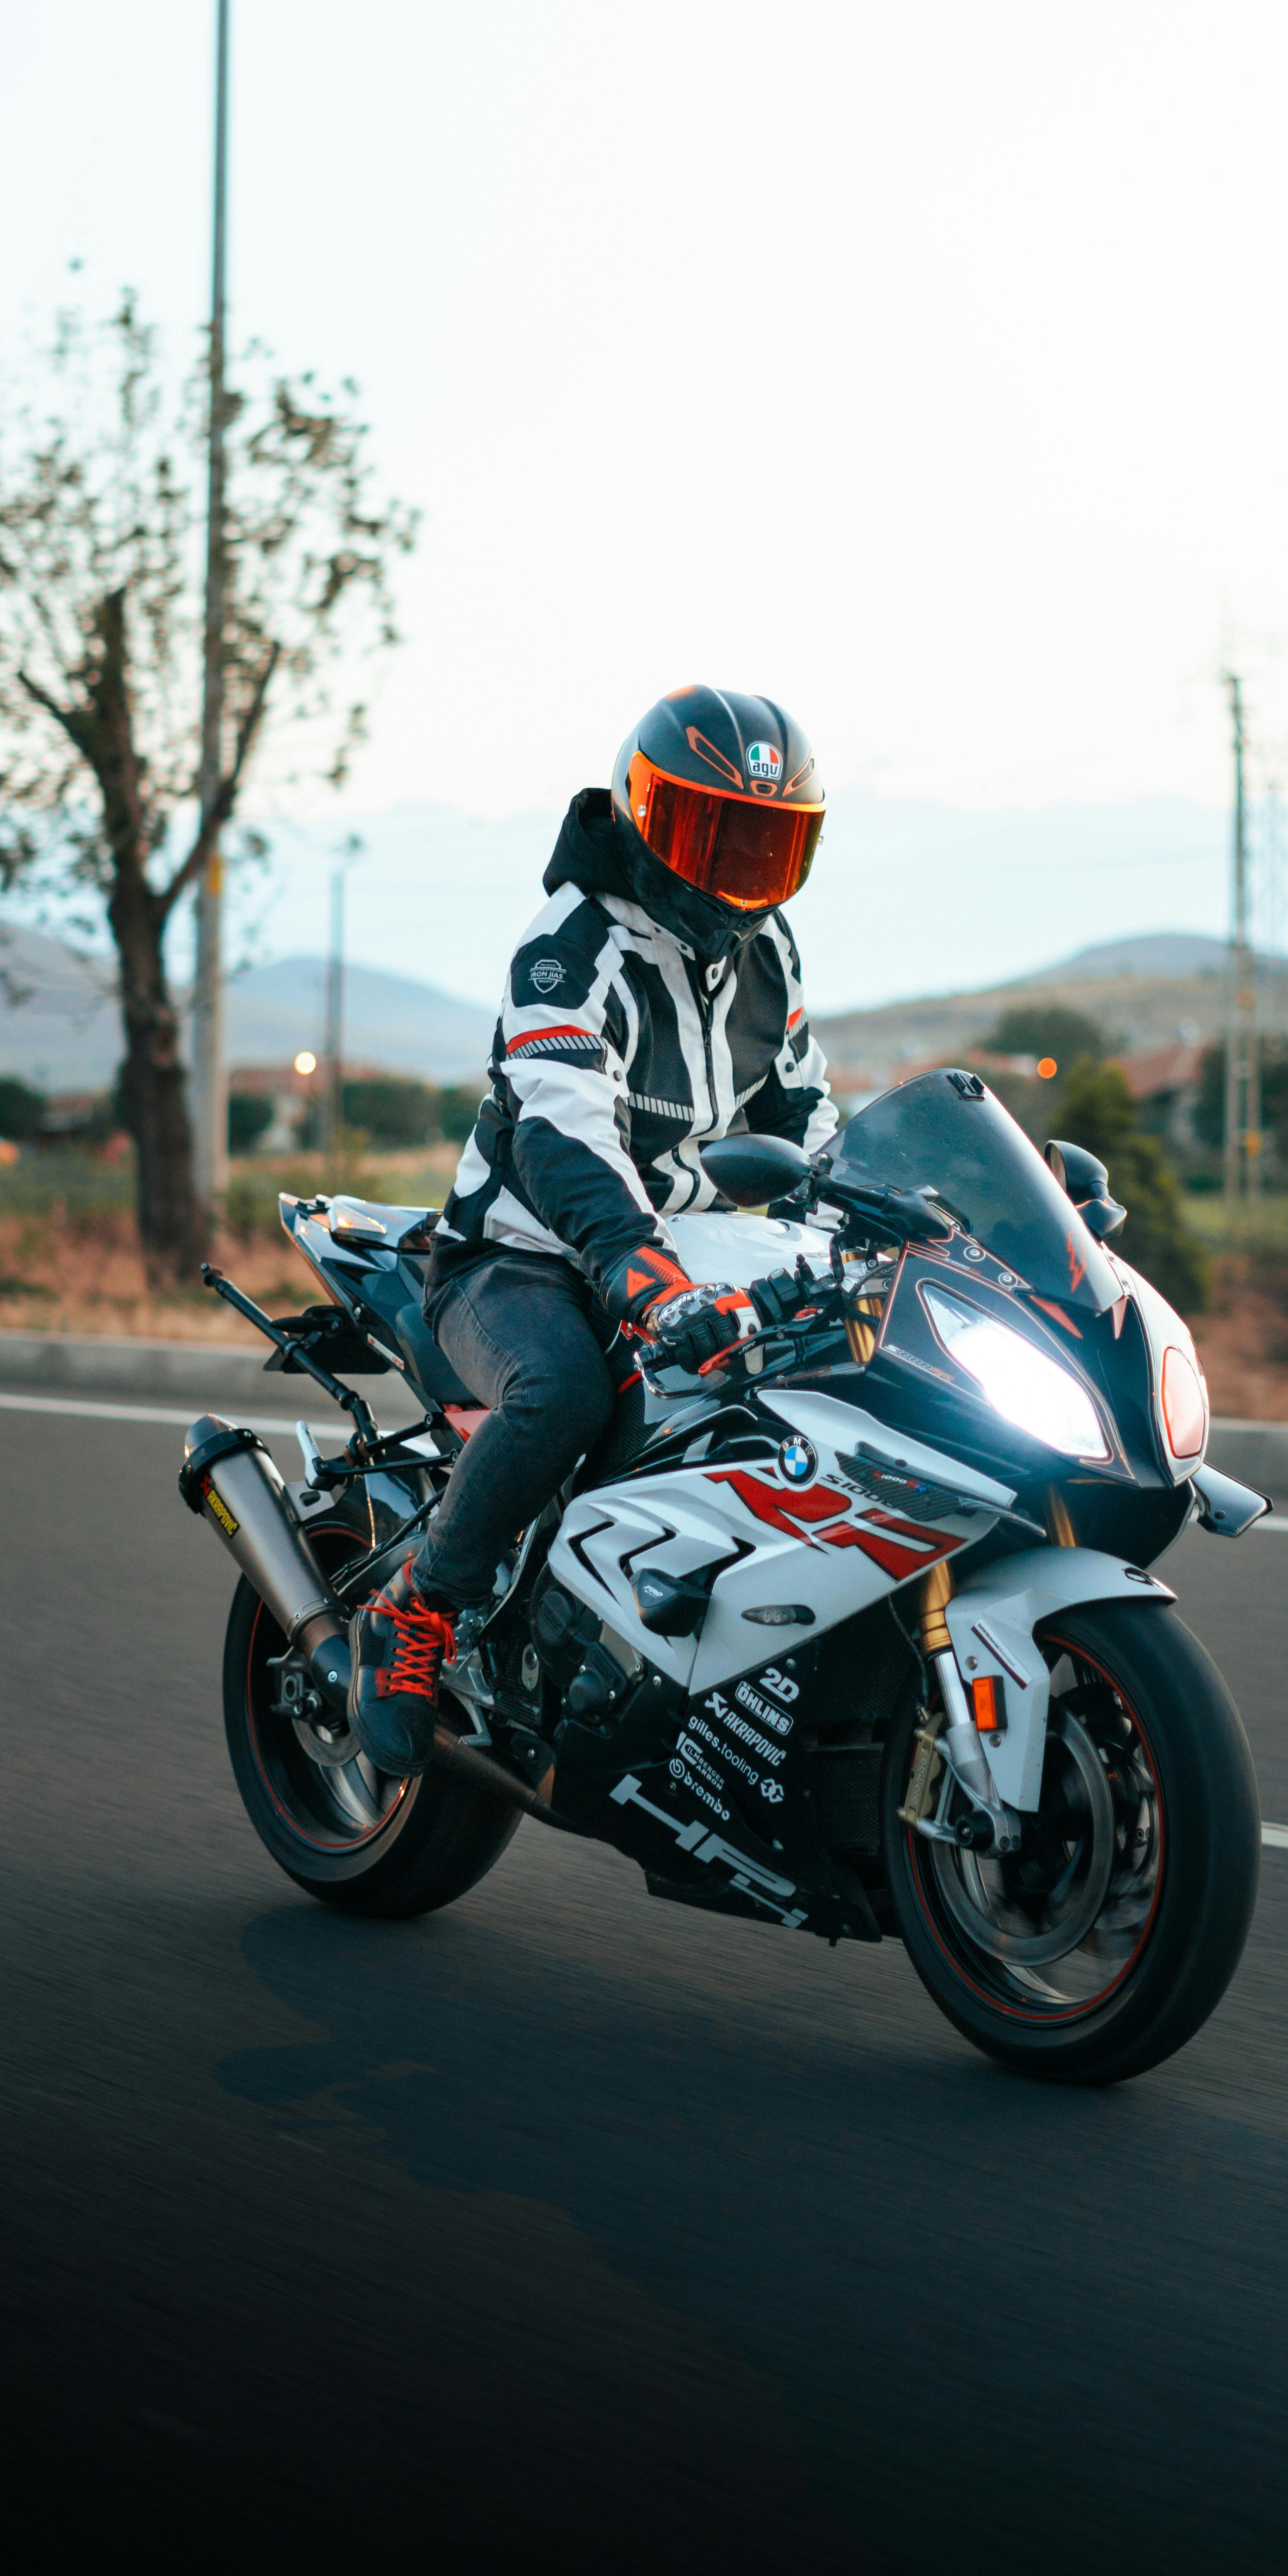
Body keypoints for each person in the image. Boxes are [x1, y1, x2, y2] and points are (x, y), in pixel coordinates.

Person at [349, 686, 838, 1775]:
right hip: (519, 1261)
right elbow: (563, 1129)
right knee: (563, 1390)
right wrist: (634, 1264)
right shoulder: (569, 948)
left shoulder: (771, 956)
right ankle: (415, 1611)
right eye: (712, 836)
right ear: (645, 817)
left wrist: (880, 1218)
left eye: (763, 848)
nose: (732, 874)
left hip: (680, 1256)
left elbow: (805, 1116)